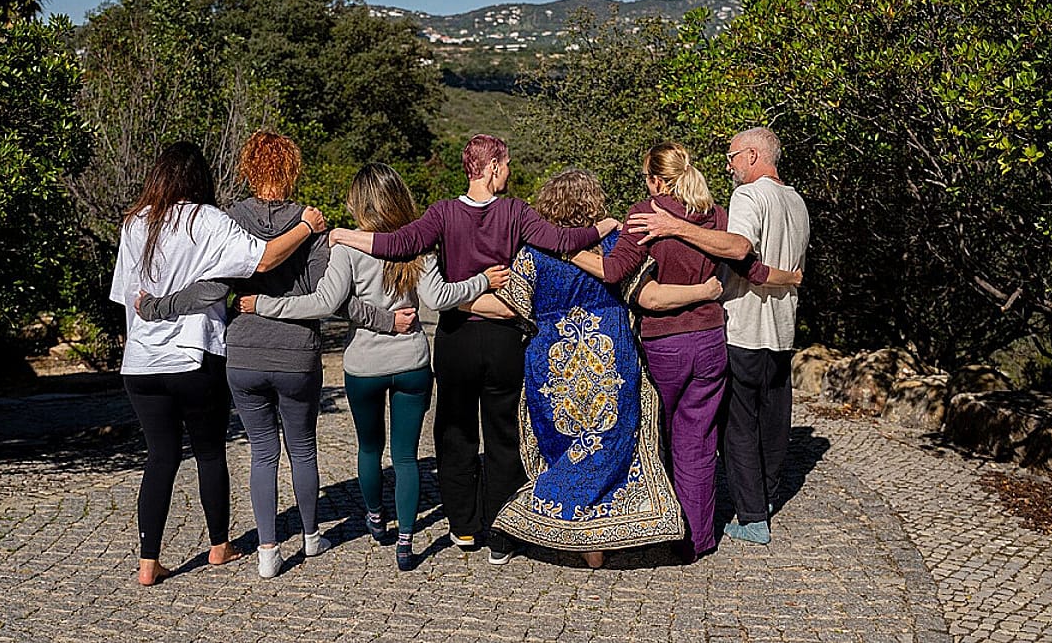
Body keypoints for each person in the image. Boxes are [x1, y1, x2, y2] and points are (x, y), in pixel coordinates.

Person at [330, 135, 620, 565]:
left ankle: (463, 527)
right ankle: (501, 534)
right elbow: (561, 241)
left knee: (455, 434)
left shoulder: (442, 214)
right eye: (505, 165)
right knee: (503, 437)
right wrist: (605, 227)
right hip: (502, 341)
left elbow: (398, 243)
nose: (508, 172)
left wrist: (344, 235)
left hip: (457, 339)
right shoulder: (516, 211)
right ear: (491, 167)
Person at [136, 132, 402, 579]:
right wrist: (384, 320)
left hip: (244, 353)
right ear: (292, 170)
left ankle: (266, 549)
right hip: (297, 353)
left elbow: (213, 289)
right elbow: (333, 297)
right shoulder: (311, 222)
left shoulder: (228, 220)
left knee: (262, 452)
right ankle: (313, 535)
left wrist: (156, 308)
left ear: (247, 169)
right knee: (302, 447)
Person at [237, 163, 509, 571]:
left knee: (369, 448)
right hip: (412, 362)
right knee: (406, 456)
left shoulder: (346, 248)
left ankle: (376, 518)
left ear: (360, 204)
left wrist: (264, 304)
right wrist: (483, 282)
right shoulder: (419, 245)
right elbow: (438, 298)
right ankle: (406, 543)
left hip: (363, 365)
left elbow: (323, 305)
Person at [463, 169, 715, 568]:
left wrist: (459, 303)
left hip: (555, 367)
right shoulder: (615, 244)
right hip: (609, 359)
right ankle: (609, 528)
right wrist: (704, 291)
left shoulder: (534, 252)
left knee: (566, 445)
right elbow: (647, 297)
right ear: (594, 202)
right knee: (613, 444)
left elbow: (509, 307)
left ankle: (580, 535)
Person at [110, 141, 326, 587]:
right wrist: (306, 226)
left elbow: (126, 297)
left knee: (160, 457)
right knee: (209, 452)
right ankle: (218, 545)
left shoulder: (135, 223)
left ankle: (148, 563)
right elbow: (263, 258)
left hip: (141, 361)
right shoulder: (208, 220)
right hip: (194, 352)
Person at [570, 142, 800, 562]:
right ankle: (697, 539)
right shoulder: (713, 214)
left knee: (655, 437)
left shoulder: (645, 214)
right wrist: (790, 277)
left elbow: (614, 271)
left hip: (665, 343)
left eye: (647, 178)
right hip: (711, 340)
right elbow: (751, 266)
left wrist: (568, 249)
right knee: (698, 441)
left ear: (657, 180)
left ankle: (657, 529)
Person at [628, 127, 809, 546]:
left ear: (751, 156)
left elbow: (738, 250)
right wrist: (787, 278)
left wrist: (673, 227)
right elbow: (772, 262)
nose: (727, 166)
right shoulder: (796, 200)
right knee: (774, 420)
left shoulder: (748, 197)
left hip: (743, 322)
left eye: (731, 157)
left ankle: (750, 515)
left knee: (735, 426)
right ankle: (762, 501)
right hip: (783, 326)